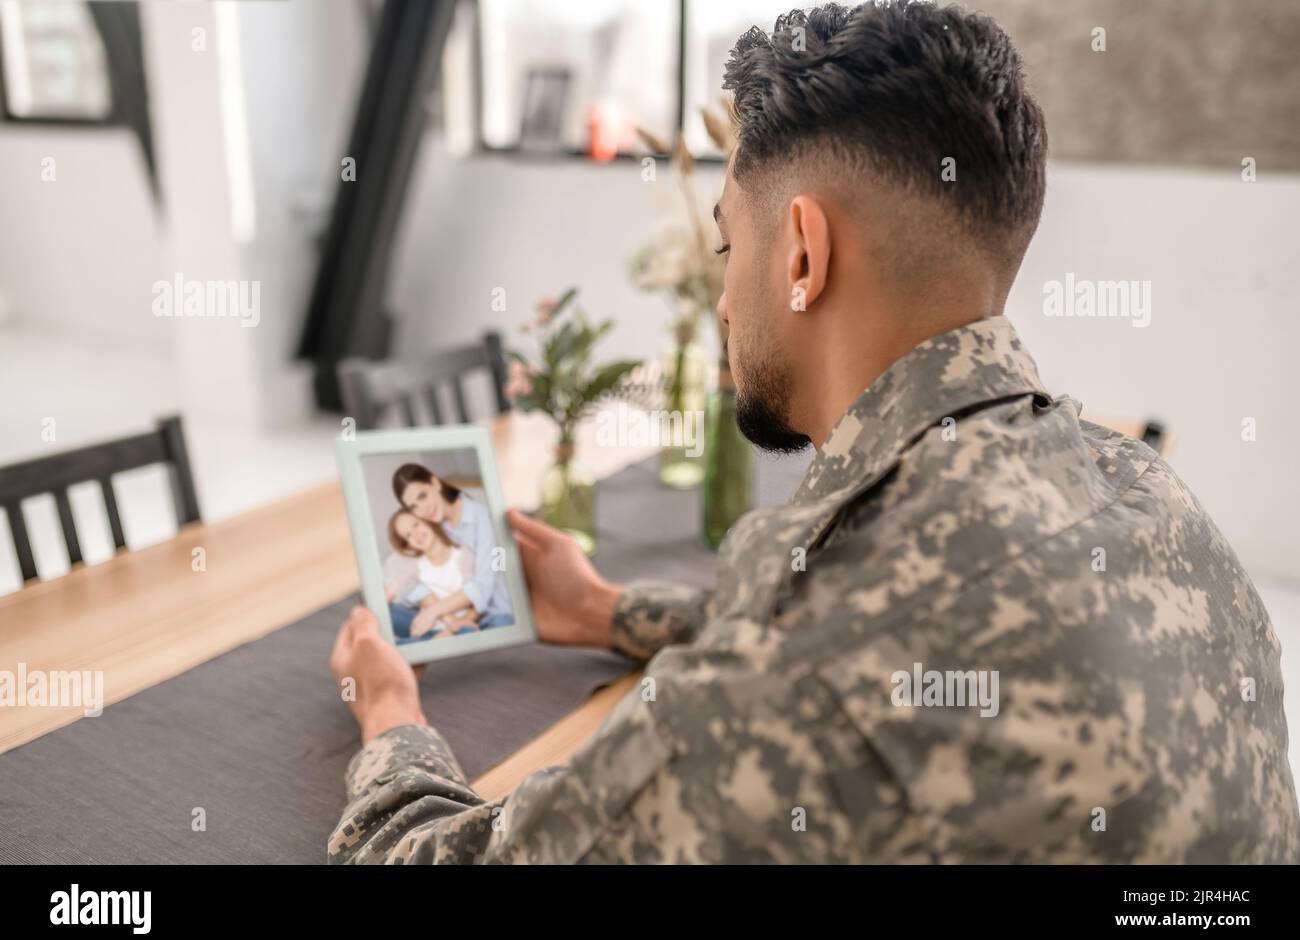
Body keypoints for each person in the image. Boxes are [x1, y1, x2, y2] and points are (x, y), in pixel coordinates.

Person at [327, 1, 1299, 863]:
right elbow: (936, 635)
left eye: (725, 242)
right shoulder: (1155, 500)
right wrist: (611, 612)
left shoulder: (799, 676)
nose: (718, 299)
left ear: (801, 250)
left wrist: (391, 717)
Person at [391, 463, 515, 630]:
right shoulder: (434, 525)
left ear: (435, 484)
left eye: (422, 496)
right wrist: (448, 619)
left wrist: (433, 613)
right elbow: (412, 573)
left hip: (497, 614)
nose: (423, 509)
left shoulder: (484, 518)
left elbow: (484, 585)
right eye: (414, 506)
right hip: (452, 615)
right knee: (388, 613)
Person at [386, 511, 480, 641]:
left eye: (416, 524)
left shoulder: (462, 556)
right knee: (384, 612)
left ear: (428, 520)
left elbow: (479, 604)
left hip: (463, 623)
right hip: (426, 626)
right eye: (408, 535)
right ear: (408, 545)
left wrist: (450, 631)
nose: (415, 534)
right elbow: (396, 592)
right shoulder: (416, 565)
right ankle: (422, 644)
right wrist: (449, 621)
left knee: (468, 632)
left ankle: (422, 645)